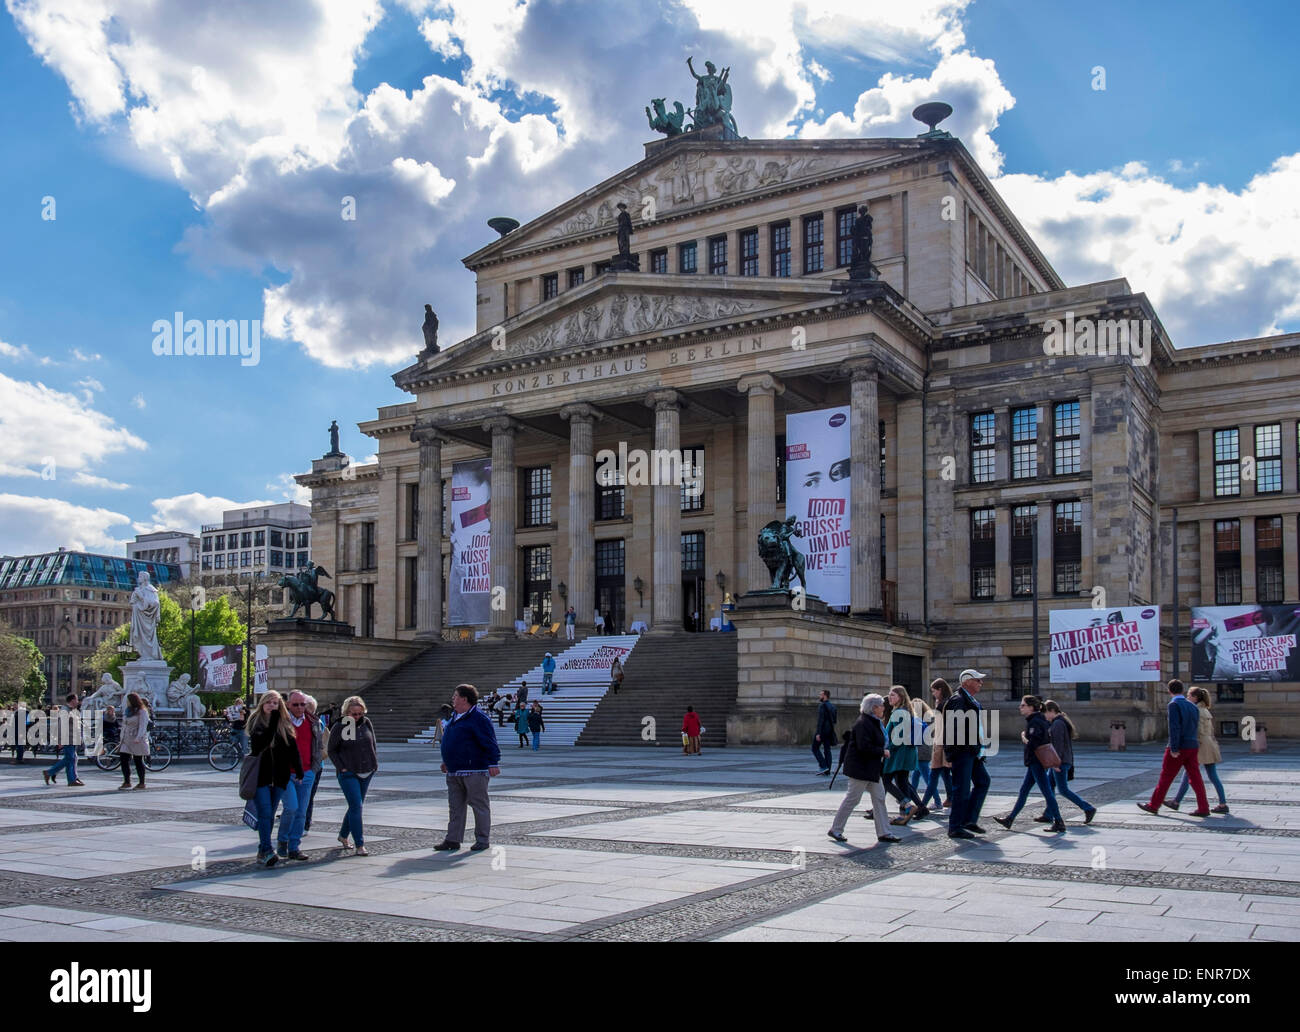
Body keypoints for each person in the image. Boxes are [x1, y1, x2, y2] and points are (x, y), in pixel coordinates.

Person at [435, 683, 501, 852]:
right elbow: (450, 742)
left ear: (464, 699)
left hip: (475, 770)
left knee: (479, 805)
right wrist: (446, 760)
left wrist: (493, 762)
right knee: (455, 806)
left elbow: (490, 742)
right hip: (454, 769)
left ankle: (482, 839)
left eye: (455, 696)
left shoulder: (479, 718)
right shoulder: (454, 717)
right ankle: (453, 839)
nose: (453, 699)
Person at [828, 694, 900, 845]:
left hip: (871, 769)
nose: (884, 708)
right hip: (860, 769)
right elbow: (863, 746)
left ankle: (884, 832)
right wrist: (882, 752)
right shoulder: (863, 723)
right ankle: (836, 829)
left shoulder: (873, 722)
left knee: (879, 798)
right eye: (881, 705)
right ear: (874, 708)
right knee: (853, 799)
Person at [247, 690, 303, 867]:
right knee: (264, 813)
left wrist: (299, 770)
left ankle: (263, 849)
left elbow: (292, 749)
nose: (272, 706)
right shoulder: (256, 723)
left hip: (280, 777)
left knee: (270, 814)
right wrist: (272, 722)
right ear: (262, 704)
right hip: (261, 777)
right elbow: (260, 745)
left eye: (275, 703)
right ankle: (266, 850)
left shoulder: (285, 724)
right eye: (269, 703)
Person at [1139, 679, 1210, 818]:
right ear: (1182, 690)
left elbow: (1174, 727)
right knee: (1196, 778)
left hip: (1180, 746)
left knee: (1166, 777)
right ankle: (1203, 807)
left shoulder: (1174, 704)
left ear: (1169, 690)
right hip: (1192, 745)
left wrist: (1174, 747)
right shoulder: (1193, 706)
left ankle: (1154, 805)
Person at [993, 695, 1066, 832]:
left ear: (1031, 707)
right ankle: (1010, 819)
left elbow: (1034, 743)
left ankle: (1059, 821)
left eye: (1023, 705)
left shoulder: (1035, 722)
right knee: (1024, 790)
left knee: (1047, 792)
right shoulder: (1038, 720)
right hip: (1035, 762)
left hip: (1036, 762)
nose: (1020, 707)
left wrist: (1024, 738)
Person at [275, 690, 323, 861]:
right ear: (288, 705)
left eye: (302, 704)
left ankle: (294, 847)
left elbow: (319, 744)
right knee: (291, 808)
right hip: (286, 773)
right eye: (295, 704)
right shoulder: (281, 722)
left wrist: (315, 767)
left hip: (308, 772)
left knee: (302, 812)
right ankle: (282, 840)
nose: (300, 707)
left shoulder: (312, 721)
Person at [943, 669, 991, 839]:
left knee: (983, 781)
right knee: (961, 789)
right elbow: (955, 729)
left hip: (972, 751)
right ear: (966, 682)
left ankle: (969, 819)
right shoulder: (958, 700)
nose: (980, 682)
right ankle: (955, 827)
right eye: (977, 680)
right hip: (963, 751)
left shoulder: (970, 699)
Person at [327, 695, 378, 856]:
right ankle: (360, 844)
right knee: (357, 806)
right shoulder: (340, 725)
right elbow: (331, 750)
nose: (357, 717)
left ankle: (343, 835)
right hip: (349, 772)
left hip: (367, 771)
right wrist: (341, 768)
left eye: (359, 714)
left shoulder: (366, 722)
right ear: (346, 712)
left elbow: (372, 743)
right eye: (353, 714)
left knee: (355, 806)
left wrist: (374, 763)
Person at [1166, 687, 1229, 814]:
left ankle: (1176, 801)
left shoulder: (1195, 710)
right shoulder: (1205, 710)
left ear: (1195, 698)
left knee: (1188, 775)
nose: (1187, 697)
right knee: (1213, 776)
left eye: (1189, 695)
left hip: (1200, 745)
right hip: (1209, 744)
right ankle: (1223, 804)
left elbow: (1196, 730)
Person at [1038, 700, 1096, 824]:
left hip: (1060, 762)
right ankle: (1048, 814)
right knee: (1049, 786)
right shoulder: (1059, 722)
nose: (1044, 716)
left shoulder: (1058, 724)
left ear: (1052, 711)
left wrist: (1055, 763)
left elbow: (1057, 746)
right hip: (1062, 760)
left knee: (1063, 790)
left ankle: (1088, 808)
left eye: (1046, 712)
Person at [881, 685, 928, 823]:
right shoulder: (907, 711)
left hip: (898, 753)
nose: (890, 697)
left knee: (886, 780)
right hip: (908, 752)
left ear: (901, 697)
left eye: (893, 695)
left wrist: (888, 749)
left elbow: (897, 737)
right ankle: (904, 816)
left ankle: (906, 805)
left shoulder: (898, 713)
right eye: (889, 695)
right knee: (902, 782)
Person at [918, 679, 953, 811]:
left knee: (934, 776)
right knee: (944, 773)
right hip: (941, 743)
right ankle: (950, 798)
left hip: (942, 744)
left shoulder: (945, 704)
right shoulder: (942, 702)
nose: (933, 694)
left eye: (934, 691)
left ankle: (923, 806)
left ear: (940, 690)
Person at [42, 692, 85, 787]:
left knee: (72, 758)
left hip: (73, 738)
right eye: (76, 699)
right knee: (70, 758)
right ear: (72, 700)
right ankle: (51, 772)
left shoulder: (72, 710)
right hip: (68, 738)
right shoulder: (65, 711)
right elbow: (62, 726)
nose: (78, 701)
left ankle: (72, 778)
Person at [301, 695, 326, 834]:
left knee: (308, 796)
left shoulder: (316, 723)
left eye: (302, 705)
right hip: (304, 765)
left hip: (314, 766)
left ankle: (305, 823)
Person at [117, 692, 151, 791]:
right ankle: (126, 781)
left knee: (138, 760)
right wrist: (121, 736)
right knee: (123, 759)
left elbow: (143, 725)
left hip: (137, 739)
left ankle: (141, 782)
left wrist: (138, 737)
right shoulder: (127, 711)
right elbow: (124, 725)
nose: (126, 702)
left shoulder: (142, 711)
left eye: (127, 700)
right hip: (126, 738)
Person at [812, 689, 836, 775]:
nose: (819, 696)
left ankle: (823, 766)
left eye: (821, 695)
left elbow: (820, 720)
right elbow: (835, 720)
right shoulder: (833, 706)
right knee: (827, 750)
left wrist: (818, 733)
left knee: (814, 748)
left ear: (825, 696)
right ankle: (827, 770)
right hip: (830, 731)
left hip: (822, 731)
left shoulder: (822, 706)